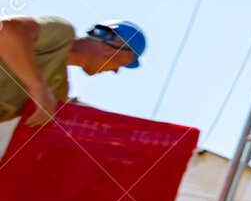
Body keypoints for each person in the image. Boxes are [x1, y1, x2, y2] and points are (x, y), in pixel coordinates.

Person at [0, 16, 146, 128]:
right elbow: (8, 30)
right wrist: (38, 87)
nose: (115, 71)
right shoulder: (62, 35)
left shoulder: (58, 90)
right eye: (120, 63)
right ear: (112, 48)